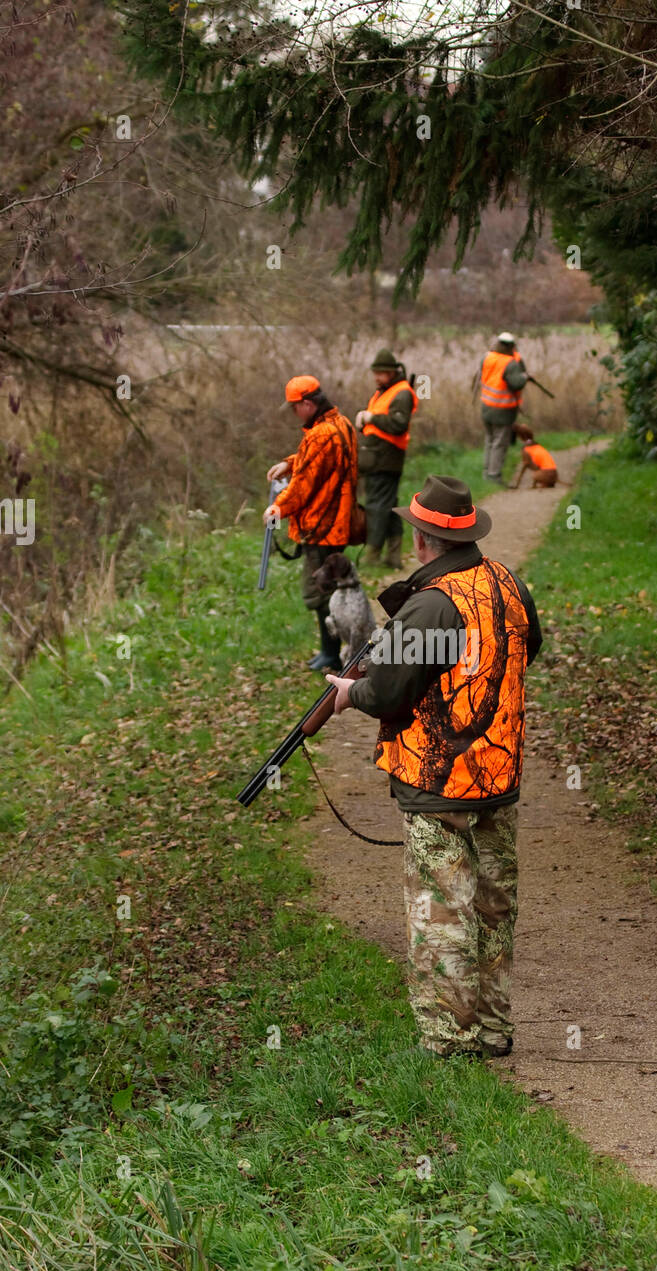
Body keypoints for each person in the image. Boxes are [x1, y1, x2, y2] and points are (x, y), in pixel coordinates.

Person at [326, 475, 542, 1058]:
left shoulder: (428, 607)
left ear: (423, 540)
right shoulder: (508, 583)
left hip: (437, 780)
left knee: (442, 906)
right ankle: (494, 1028)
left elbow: (390, 691)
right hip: (499, 777)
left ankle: (450, 1038)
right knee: (495, 905)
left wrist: (348, 695)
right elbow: (527, 647)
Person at [264, 375, 357, 672]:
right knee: (328, 591)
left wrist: (277, 508)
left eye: (294, 407)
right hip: (335, 522)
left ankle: (333, 654)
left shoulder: (321, 434)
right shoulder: (340, 423)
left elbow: (302, 487)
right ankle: (332, 651)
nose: (294, 414)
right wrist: (289, 462)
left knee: (321, 594)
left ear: (307, 403)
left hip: (322, 526)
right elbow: (312, 460)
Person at [355, 348, 418, 570]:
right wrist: (366, 421)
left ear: (392, 373)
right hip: (378, 457)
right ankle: (393, 556)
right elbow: (383, 423)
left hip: (386, 458)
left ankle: (372, 554)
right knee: (388, 507)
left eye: (381, 373)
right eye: (375, 372)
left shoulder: (401, 393)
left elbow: (398, 425)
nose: (376, 377)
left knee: (376, 506)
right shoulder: (385, 391)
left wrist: (372, 417)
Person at [479, 331, 528, 485]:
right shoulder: (510, 363)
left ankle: (486, 473)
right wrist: (524, 377)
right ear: (511, 346)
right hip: (502, 409)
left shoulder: (487, 357)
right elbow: (517, 383)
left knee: (489, 440)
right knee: (500, 443)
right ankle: (494, 477)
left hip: (486, 406)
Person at [511, 423, 558, 488]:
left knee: (534, 475)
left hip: (547, 474)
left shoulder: (527, 448)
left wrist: (517, 484)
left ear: (520, 436)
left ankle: (545, 482)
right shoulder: (536, 446)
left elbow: (526, 464)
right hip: (554, 474)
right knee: (536, 471)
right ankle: (546, 483)